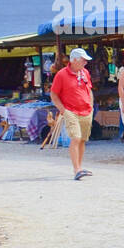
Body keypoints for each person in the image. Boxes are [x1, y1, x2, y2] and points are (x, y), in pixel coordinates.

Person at [50, 48, 95, 181]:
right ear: (74, 60)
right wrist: (63, 110)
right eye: (83, 60)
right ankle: (76, 169)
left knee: (82, 140)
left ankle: (79, 167)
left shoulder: (85, 73)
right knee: (76, 138)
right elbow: (54, 94)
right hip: (71, 111)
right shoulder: (61, 75)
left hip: (86, 110)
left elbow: (89, 90)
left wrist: (91, 106)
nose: (85, 63)